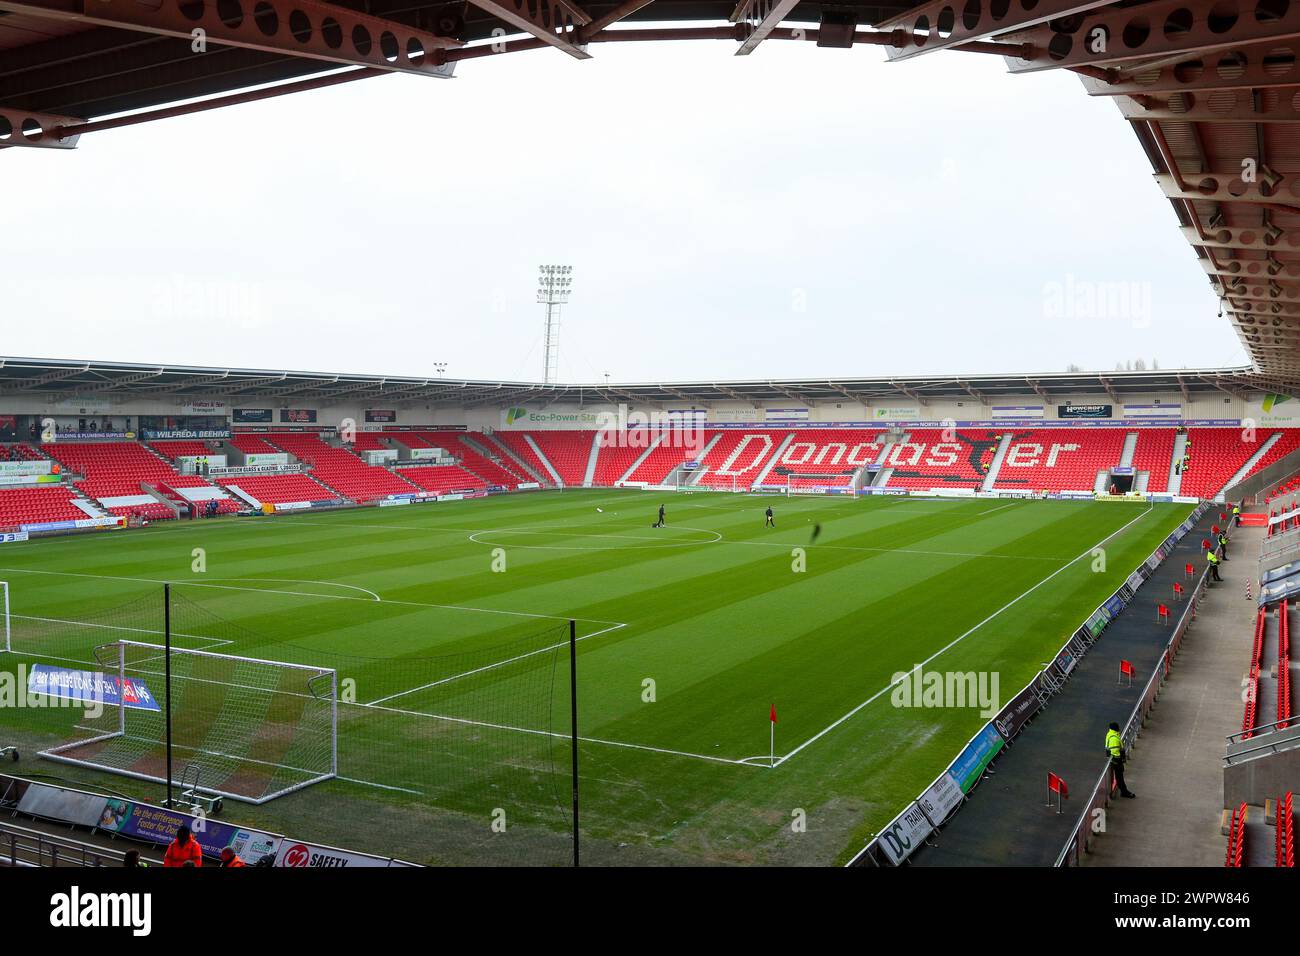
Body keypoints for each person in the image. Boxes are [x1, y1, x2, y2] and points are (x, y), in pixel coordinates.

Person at [1105, 722, 1135, 798]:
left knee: (1119, 777)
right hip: (1116, 761)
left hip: (1114, 760)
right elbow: (1115, 752)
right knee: (1119, 777)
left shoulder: (1111, 734)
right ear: (1116, 728)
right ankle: (1124, 792)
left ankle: (1123, 791)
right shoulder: (1114, 738)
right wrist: (1120, 761)